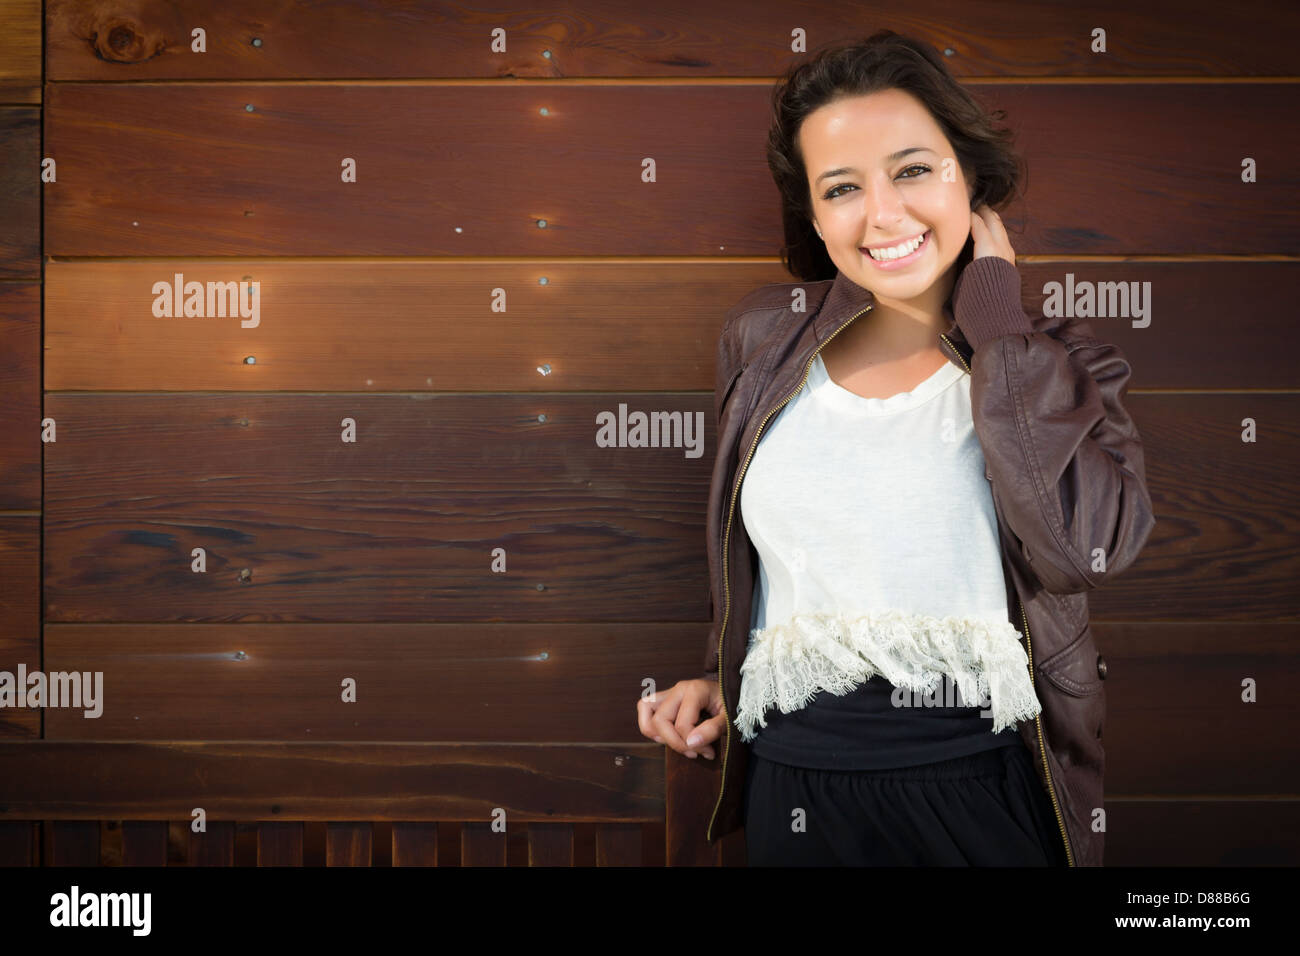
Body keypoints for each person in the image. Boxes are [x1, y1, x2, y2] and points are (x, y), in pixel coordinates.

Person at [636, 30, 1154, 866]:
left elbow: (1076, 552)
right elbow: (780, 565)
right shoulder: (762, 340)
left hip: (981, 790)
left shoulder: (1060, 361)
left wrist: (998, 332)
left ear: (971, 177)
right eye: (842, 187)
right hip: (792, 790)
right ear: (813, 212)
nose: (882, 213)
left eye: (913, 169)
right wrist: (725, 680)